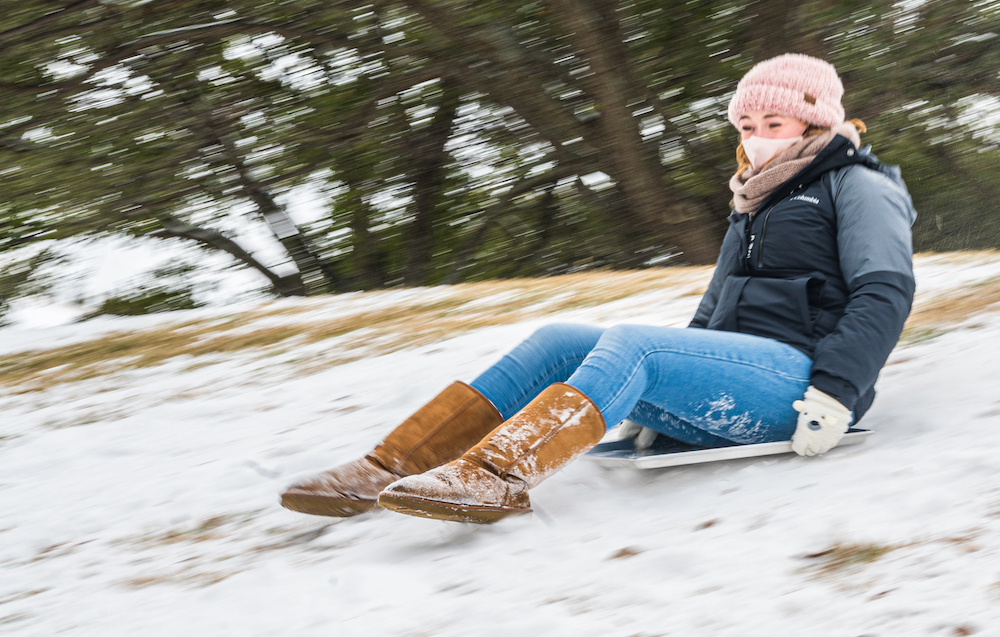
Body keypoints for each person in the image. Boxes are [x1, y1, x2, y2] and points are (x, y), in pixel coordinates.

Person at [281, 53, 916, 524]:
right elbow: (712, 310)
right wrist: (665, 396)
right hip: (740, 372)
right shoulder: (755, 199)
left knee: (636, 345)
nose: (755, 136)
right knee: (562, 339)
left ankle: (495, 476)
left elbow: (884, 291)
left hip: (805, 386)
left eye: (772, 122)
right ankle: (386, 467)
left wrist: (836, 391)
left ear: (812, 124)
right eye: (745, 123)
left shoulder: (857, 184)